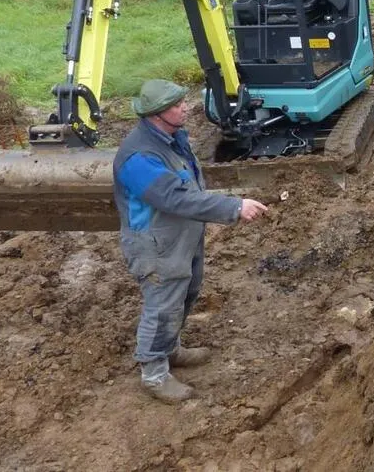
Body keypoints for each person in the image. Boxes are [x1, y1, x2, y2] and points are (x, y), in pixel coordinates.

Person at [113, 79, 268, 403]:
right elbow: (175, 198)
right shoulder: (139, 157)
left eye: (182, 101)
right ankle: (154, 373)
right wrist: (233, 206)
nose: (185, 108)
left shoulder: (171, 138)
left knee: (187, 292)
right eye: (176, 105)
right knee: (163, 305)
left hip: (181, 236)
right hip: (155, 245)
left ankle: (171, 349)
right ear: (156, 114)